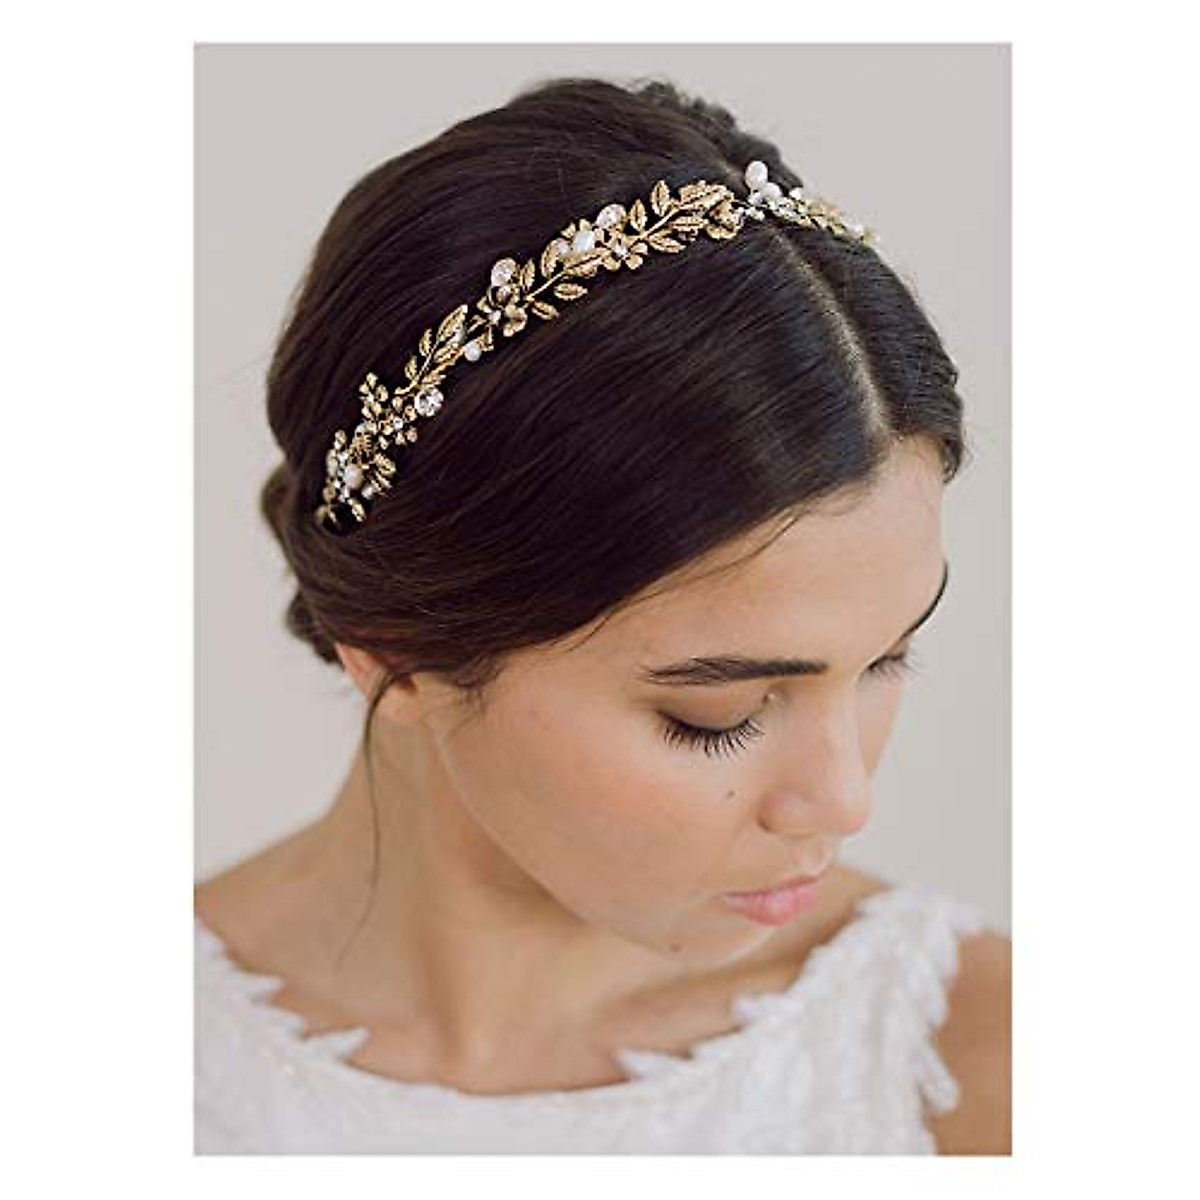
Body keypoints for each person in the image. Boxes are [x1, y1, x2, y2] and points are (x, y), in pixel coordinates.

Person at [195, 74, 1010, 1154]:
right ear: (398, 646)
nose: (841, 800)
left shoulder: (981, 1069)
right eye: (718, 716)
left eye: (886, 662)